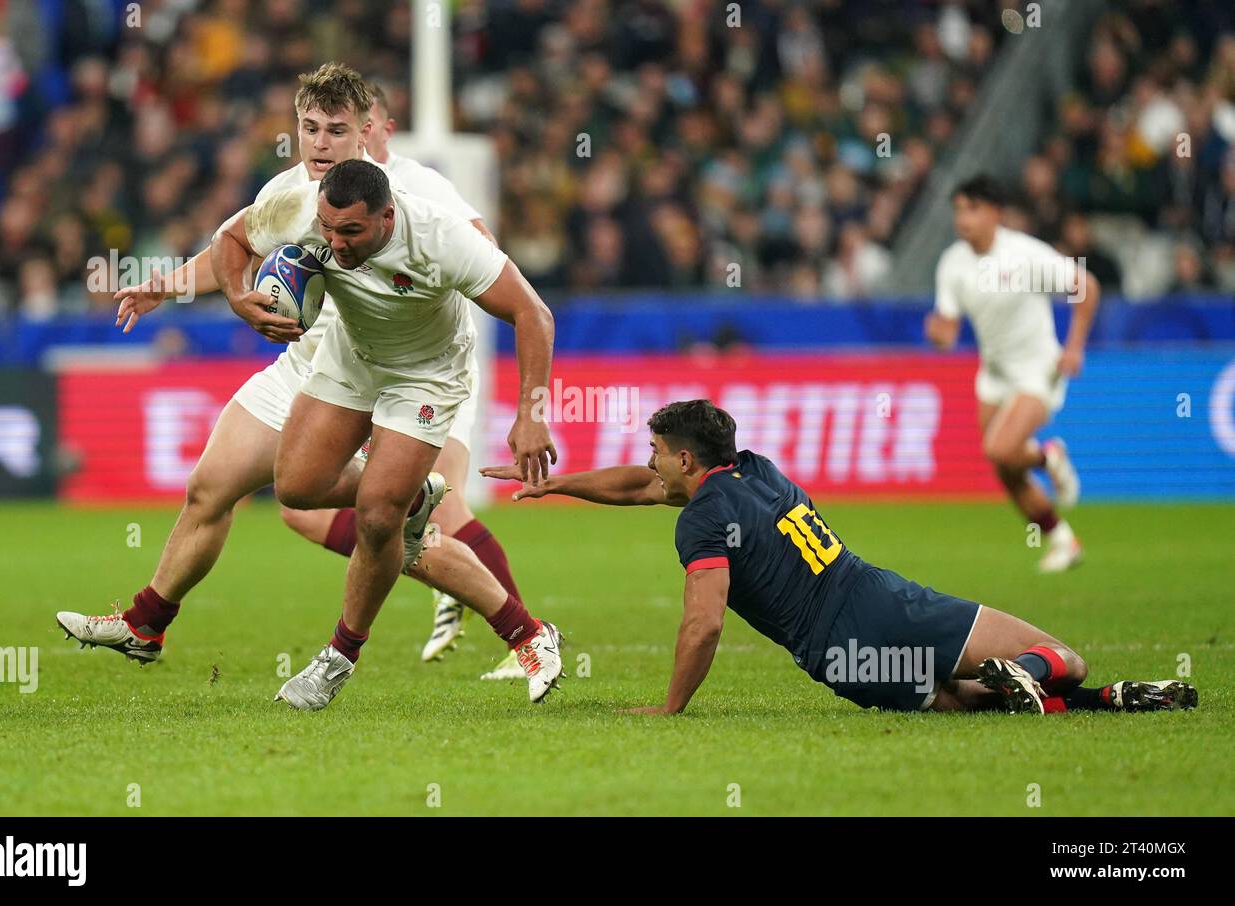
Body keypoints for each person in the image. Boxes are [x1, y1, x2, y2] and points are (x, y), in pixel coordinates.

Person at [113, 63, 527, 670]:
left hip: (396, 368)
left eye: (336, 130)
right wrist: (167, 287)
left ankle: (516, 627)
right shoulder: (291, 189)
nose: (321, 143)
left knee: (388, 510)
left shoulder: (414, 190)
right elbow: (238, 245)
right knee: (250, 493)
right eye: (310, 129)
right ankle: (146, 623)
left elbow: (483, 255)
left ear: (367, 132)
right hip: (307, 365)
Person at [482, 400, 1196, 716]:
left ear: (687, 459)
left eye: (658, 451)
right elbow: (640, 488)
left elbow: (703, 625)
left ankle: (1104, 702)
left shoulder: (700, 519)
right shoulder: (754, 471)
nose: (649, 462)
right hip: (878, 600)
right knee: (1059, 655)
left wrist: (670, 709)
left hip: (841, 663)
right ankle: (1041, 676)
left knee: (963, 699)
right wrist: (553, 483)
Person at [212, 158, 561, 709]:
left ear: (387, 217)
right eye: (329, 229)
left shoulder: (441, 237)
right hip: (350, 357)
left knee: (377, 517)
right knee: (296, 489)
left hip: (425, 375)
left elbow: (533, 313)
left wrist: (532, 415)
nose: (336, 243)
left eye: (351, 231)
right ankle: (412, 495)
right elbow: (230, 237)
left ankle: (337, 658)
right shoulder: (303, 210)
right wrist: (237, 297)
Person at [925, 176, 1101, 573]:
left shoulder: (1024, 255)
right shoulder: (953, 262)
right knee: (1004, 468)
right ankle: (1062, 539)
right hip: (995, 374)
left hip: (1038, 370)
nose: (963, 219)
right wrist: (937, 333)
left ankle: (1047, 455)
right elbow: (947, 333)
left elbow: (1086, 288)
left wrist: (1073, 348)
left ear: (995, 213)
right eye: (958, 210)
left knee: (1000, 448)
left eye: (972, 209)